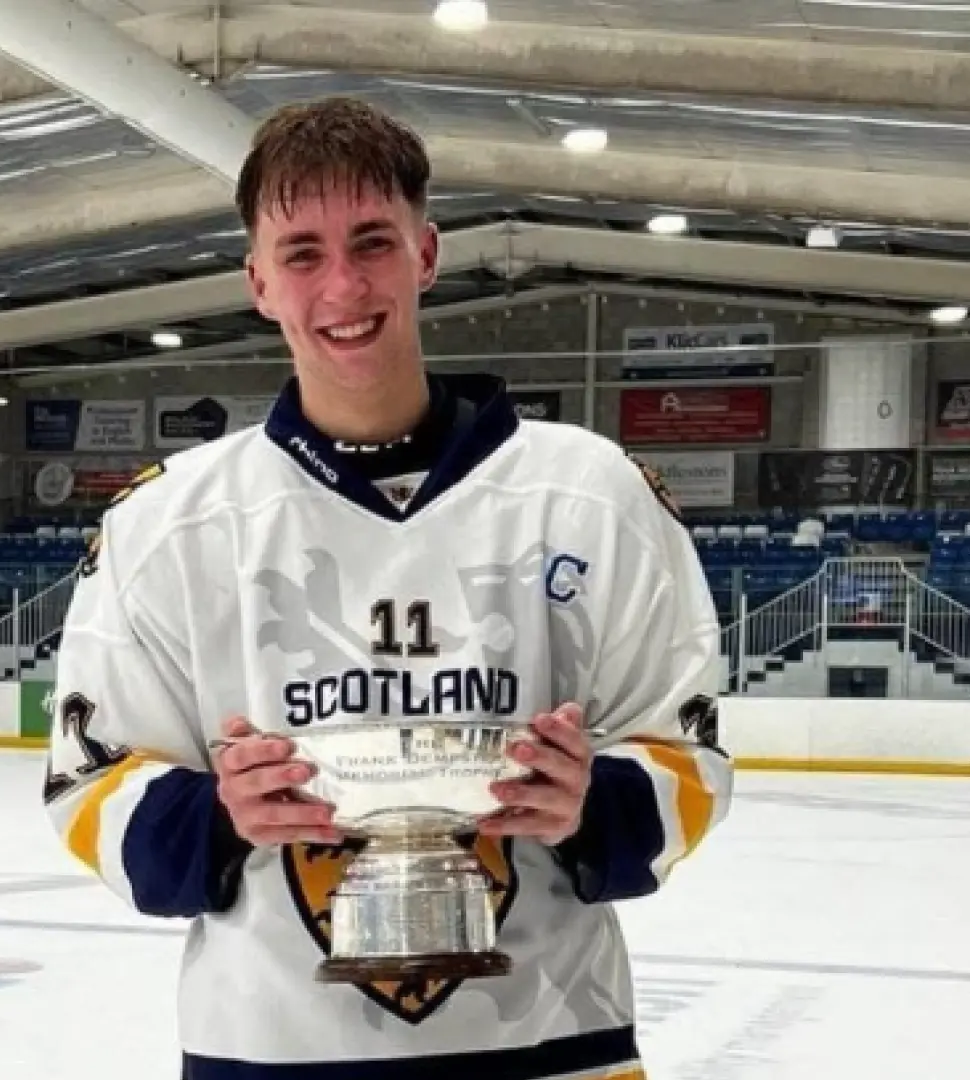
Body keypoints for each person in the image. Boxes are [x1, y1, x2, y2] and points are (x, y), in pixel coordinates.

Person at [42, 96, 733, 1080]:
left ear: (427, 253)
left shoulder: (592, 494)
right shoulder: (169, 525)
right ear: (257, 281)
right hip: (270, 1050)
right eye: (303, 253)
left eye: (372, 242)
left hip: (551, 1046)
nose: (344, 285)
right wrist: (219, 814)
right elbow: (87, 777)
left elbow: (689, 749)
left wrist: (595, 800)